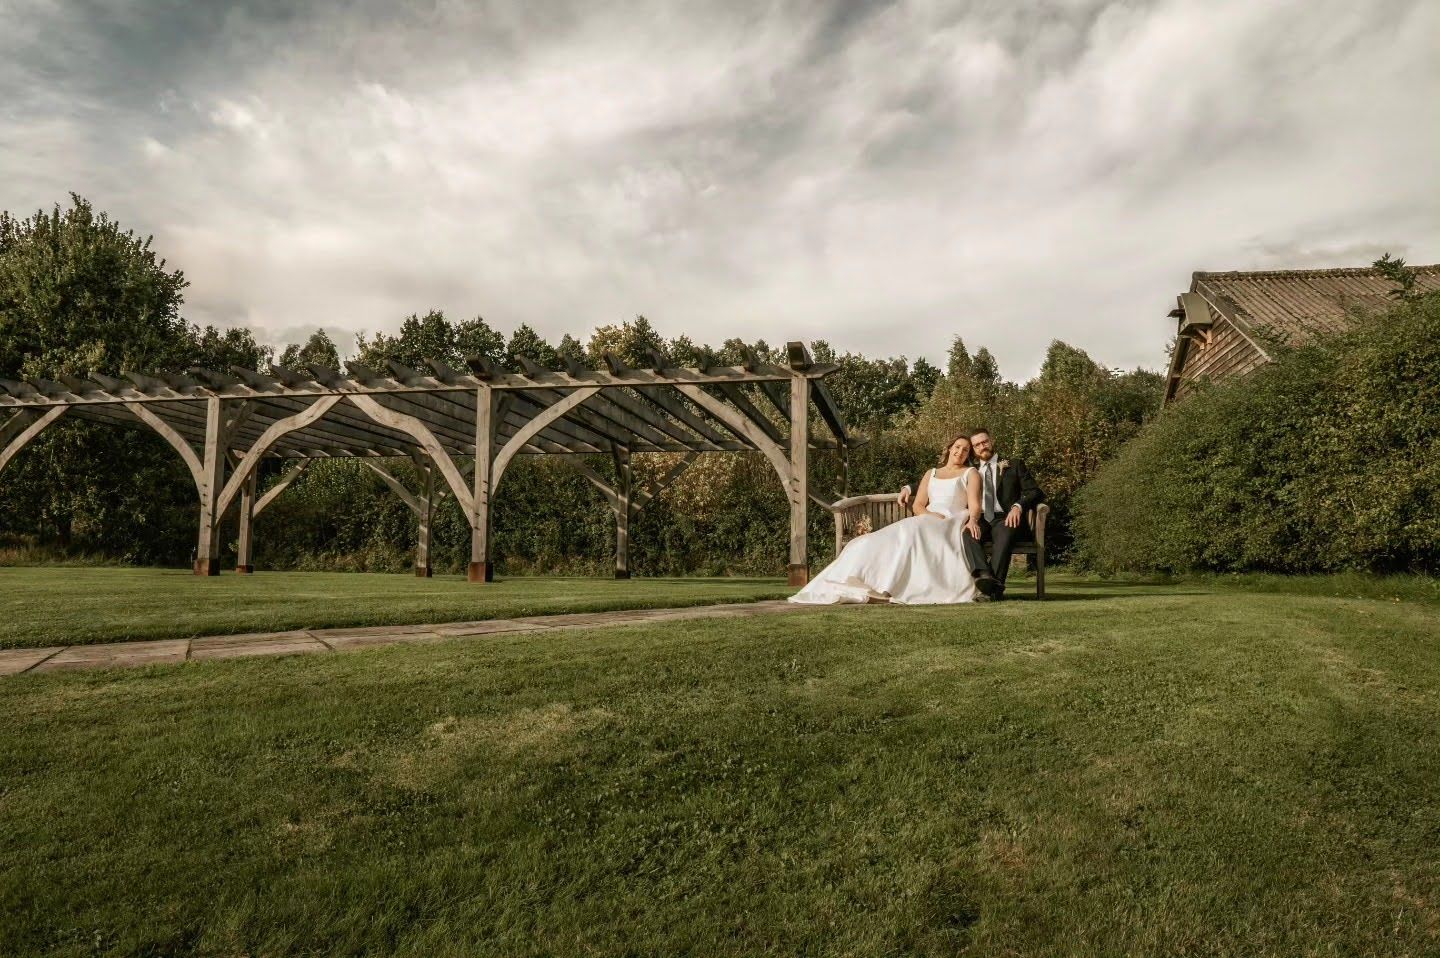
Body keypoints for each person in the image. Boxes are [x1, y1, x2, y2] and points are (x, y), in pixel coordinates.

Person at [790, 433, 982, 605]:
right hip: (927, 517)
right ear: (949, 448)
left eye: (965, 450)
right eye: (957, 447)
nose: (960, 451)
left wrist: (973, 520)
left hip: (950, 520)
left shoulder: (970, 473)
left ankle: (888, 589)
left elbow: (974, 504)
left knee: (912, 534)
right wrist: (930, 515)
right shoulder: (931, 473)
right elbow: (918, 505)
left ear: (968, 455)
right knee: (879, 539)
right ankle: (868, 582)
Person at [898, 427, 1044, 600]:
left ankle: (990, 592)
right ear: (973, 451)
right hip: (979, 518)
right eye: (977, 445)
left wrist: (1017, 506)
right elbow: (942, 477)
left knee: (1003, 534)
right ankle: (984, 575)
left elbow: (1035, 492)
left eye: (985, 442)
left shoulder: (1014, 464)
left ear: (992, 441)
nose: (982, 446)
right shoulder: (969, 469)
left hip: (1004, 517)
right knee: (967, 533)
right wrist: (908, 487)